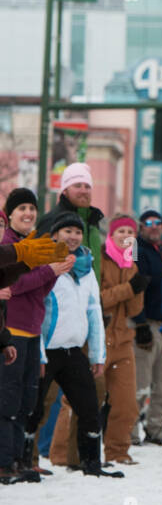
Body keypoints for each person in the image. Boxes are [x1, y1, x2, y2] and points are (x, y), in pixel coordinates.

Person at [28, 211, 115, 478]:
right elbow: (36, 311)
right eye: (67, 231)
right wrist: (39, 352)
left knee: (89, 406)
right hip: (46, 351)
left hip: (73, 351)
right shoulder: (45, 264)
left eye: (77, 232)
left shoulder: (86, 267)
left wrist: (97, 355)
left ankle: (92, 463)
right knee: (35, 407)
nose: (74, 236)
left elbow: (94, 313)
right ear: (55, 235)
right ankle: (23, 462)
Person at [0, 189, 75, 482]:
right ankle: (4, 462)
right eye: (22, 209)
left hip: (32, 332)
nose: (29, 214)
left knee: (26, 401)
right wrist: (50, 271)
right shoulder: (8, 245)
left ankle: (19, 459)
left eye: (32, 207)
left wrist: (55, 272)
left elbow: (39, 291)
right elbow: (16, 285)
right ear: (11, 215)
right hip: (12, 331)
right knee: (8, 399)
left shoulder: (33, 244)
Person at [100, 215, 148, 466]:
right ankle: (65, 454)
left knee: (126, 404)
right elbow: (99, 299)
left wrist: (136, 288)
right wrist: (129, 289)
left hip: (123, 340)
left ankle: (118, 451)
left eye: (131, 231)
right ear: (112, 234)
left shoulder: (132, 264)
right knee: (83, 401)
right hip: (100, 339)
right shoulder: (100, 260)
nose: (126, 235)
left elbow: (133, 309)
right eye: (121, 231)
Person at [132, 210, 162, 445]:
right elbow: (135, 286)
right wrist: (139, 323)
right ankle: (129, 432)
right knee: (140, 384)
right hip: (145, 322)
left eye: (158, 223)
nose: (154, 226)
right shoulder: (138, 249)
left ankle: (155, 430)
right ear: (141, 226)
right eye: (149, 223)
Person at [37, 163, 104, 283]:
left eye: (87, 186)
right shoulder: (52, 219)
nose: (83, 191)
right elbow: (38, 265)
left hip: (89, 297)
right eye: (77, 185)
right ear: (65, 190)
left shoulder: (92, 222)